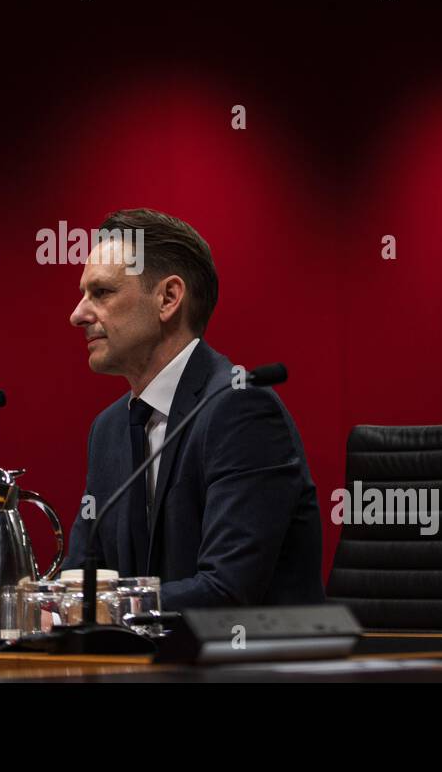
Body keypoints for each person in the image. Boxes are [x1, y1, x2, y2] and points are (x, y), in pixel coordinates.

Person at [62, 208, 325, 609]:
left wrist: (106, 608)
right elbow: (83, 576)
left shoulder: (240, 410)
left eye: (102, 293)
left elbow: (227, 591)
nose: (77, 315)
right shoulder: (109, 429)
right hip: (145, 665)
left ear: (168, 298)